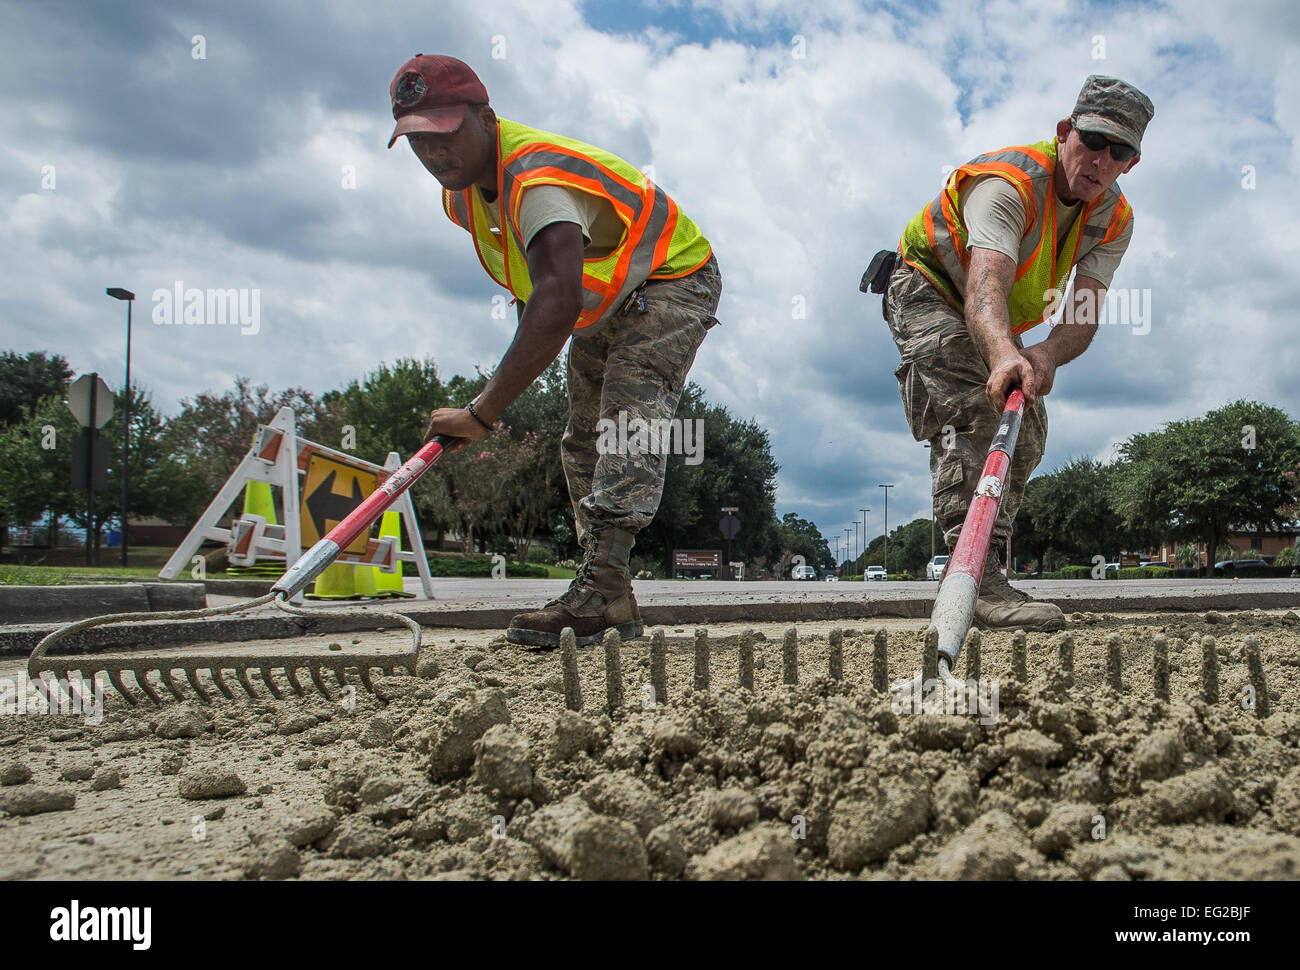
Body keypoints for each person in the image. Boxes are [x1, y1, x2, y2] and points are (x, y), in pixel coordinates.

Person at [388, 54, 721, 647]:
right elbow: (532, 287)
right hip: (609, 296)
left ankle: (600, 589)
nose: (436, 154)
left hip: (672, 277)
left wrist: (484, 411)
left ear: (486, 117)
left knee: (626, 424)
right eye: (419, 142)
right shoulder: (464, 195)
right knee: (583, 438)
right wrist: (495, 394)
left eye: (446, 134)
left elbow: (558, 296)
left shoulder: (536, 180)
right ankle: (607, 591)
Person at [868, 75, 1154, 631]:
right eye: (1092, 140)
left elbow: (1082, 312)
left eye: (1117, 152)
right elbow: (986, 288)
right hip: (931, 288)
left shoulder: (1114, 219)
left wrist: (1044, 355)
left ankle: (985, 565)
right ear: (1065, 132)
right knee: (977, 410)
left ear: (1130, 163)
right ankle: (975, 582)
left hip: (996, 317)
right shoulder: (1010, 183)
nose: (1100, 159)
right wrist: (1004, 354)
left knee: (1028, 431)